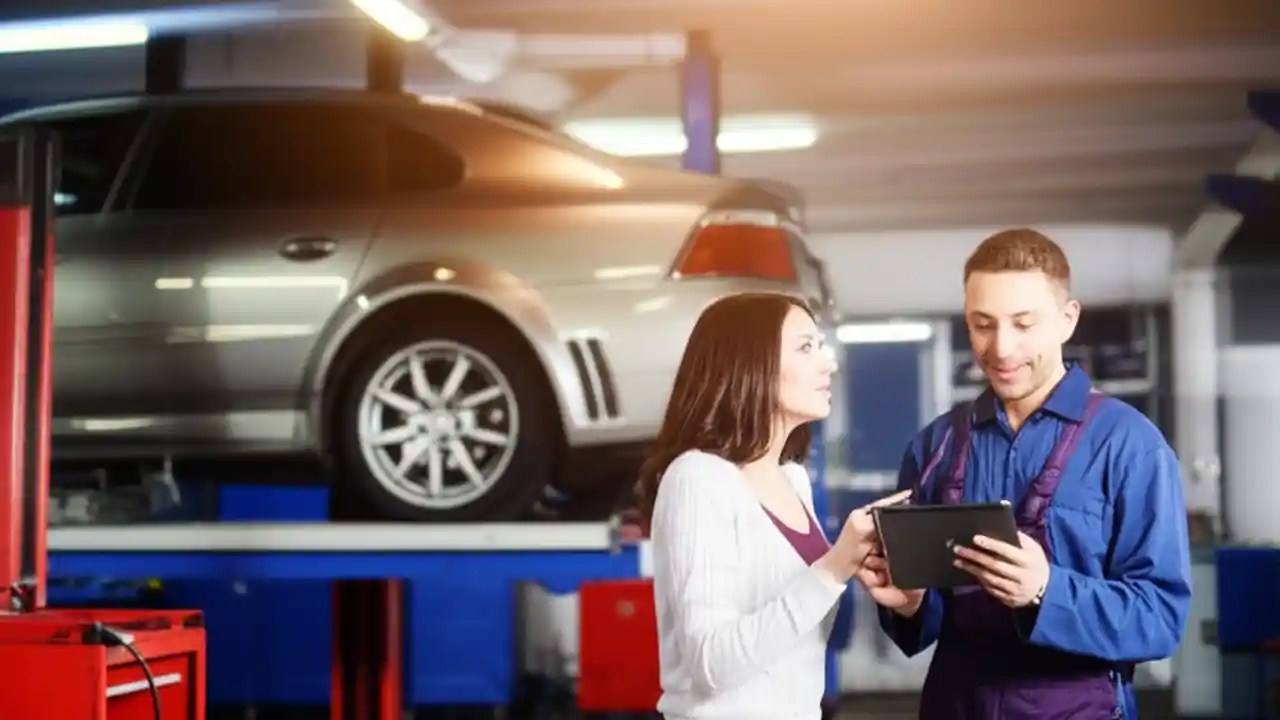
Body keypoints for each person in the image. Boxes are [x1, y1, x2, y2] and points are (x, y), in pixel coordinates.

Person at [860, 228, 1193, 719]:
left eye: (1023, 323)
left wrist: (1046, 591)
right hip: (955, 705)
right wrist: (908, 603)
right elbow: (924, 622)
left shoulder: (1131, 447)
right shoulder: (935, 447)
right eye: (983, 324)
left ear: (1067, 319)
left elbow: (1160, 619)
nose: (1001, 348)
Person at [641, 292, 909, 720]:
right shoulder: (698, 478)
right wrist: (832, 568)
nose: (829, 363)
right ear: (750, 365)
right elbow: (712, 664)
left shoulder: (793, 480)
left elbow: (794, 644)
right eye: (806, 347)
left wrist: (872, 573)